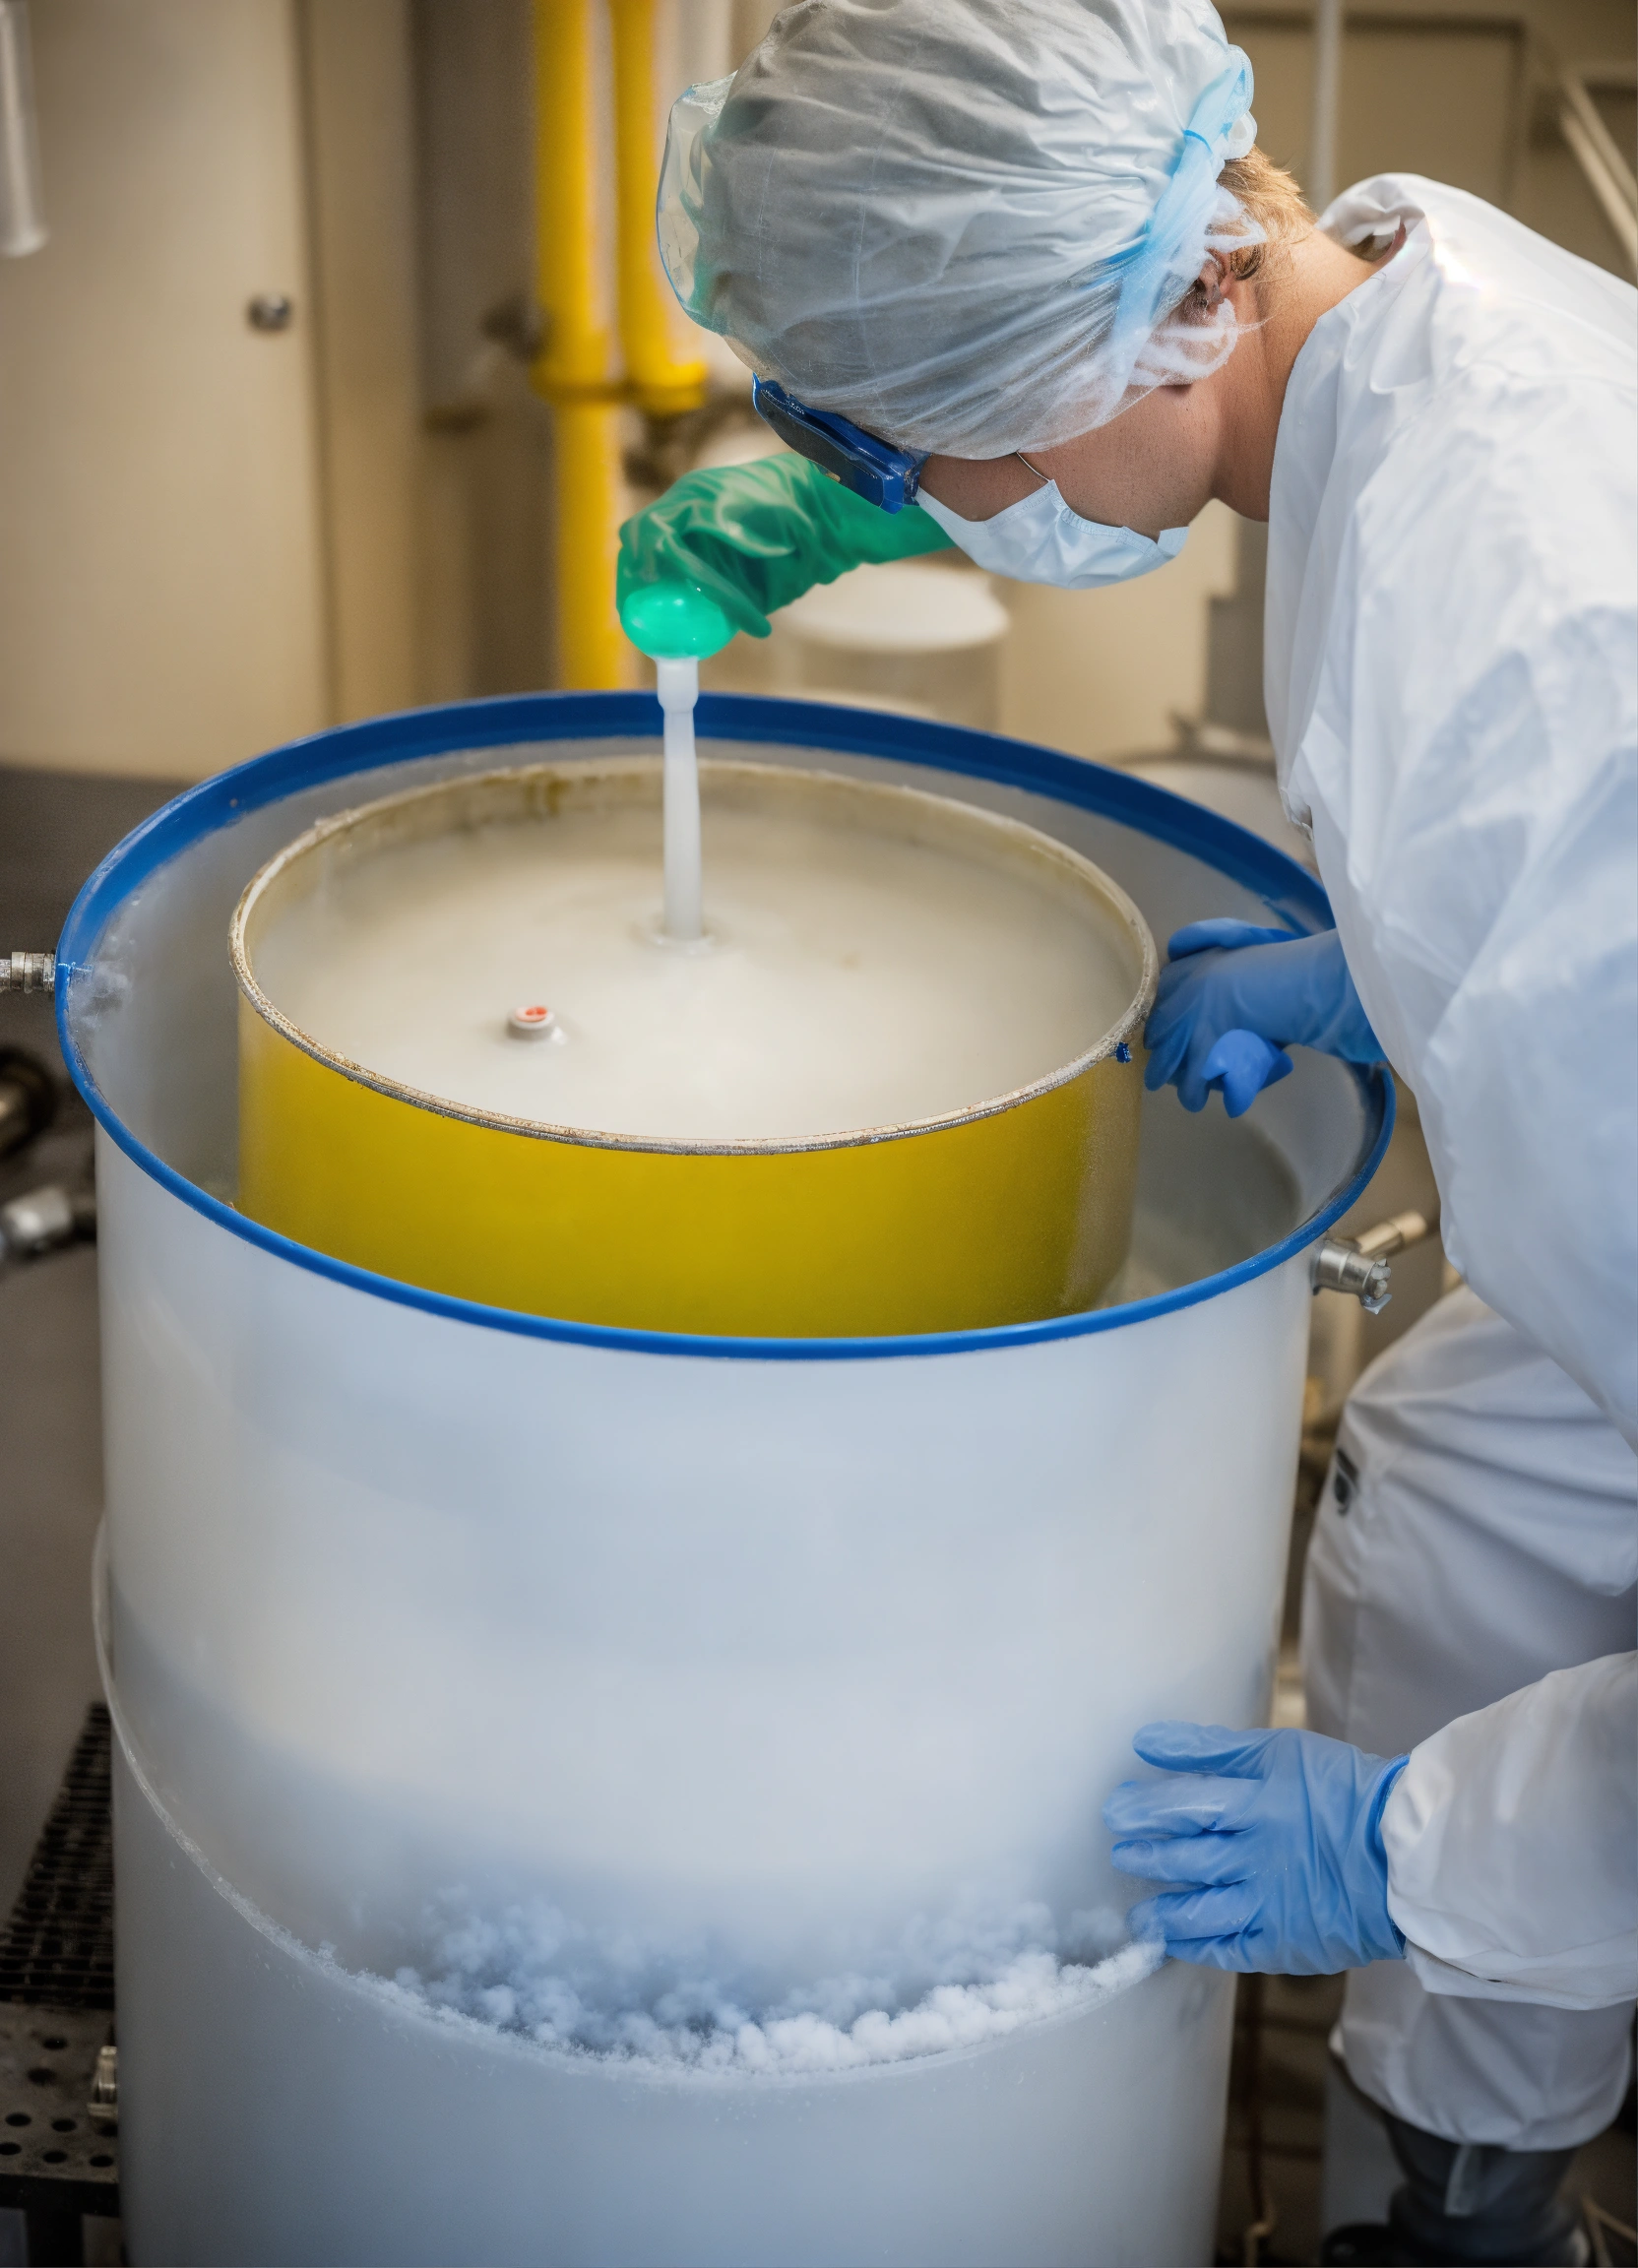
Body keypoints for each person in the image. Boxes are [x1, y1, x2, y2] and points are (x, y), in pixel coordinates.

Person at [617, 5, 1638, 2261]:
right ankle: (1461, 2198)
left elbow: (1570, 810)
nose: (920, 500)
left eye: (900, 443)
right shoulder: (1415, 310)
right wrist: (1387, 969)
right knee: (1473, 1463)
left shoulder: (1524, 663)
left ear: (1069, 347)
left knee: (1502, 1793)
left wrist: (1408, 1853)